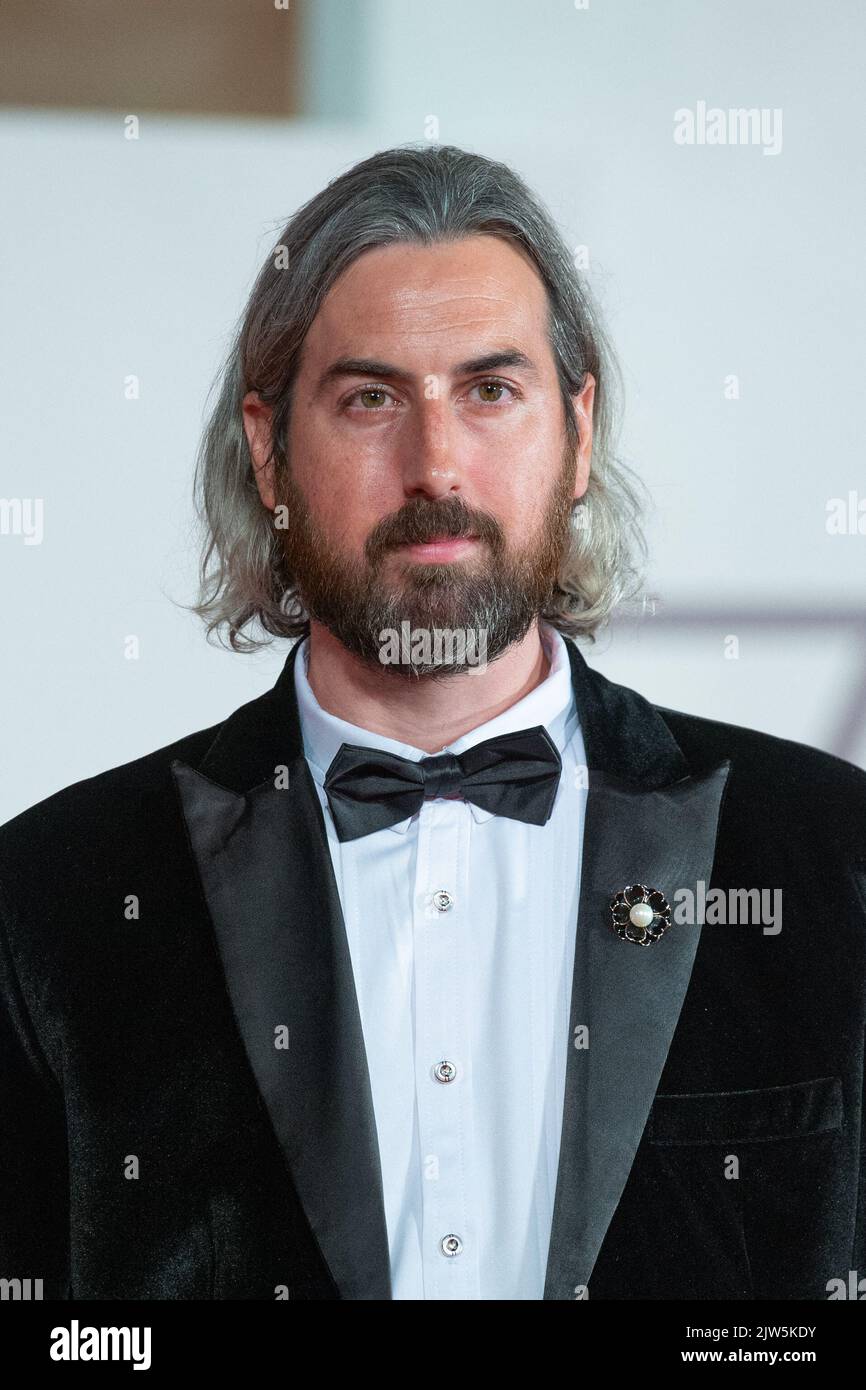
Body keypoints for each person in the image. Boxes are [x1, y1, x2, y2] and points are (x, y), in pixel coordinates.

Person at [1, 144, 863, 1302]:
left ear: (578, 429)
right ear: (268, 450)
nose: (435, 465)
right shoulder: (53, 896)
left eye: (489, 390)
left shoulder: (832, 859)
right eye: (369, 399)